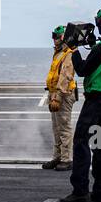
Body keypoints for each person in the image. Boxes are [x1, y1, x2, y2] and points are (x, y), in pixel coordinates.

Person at [60, 6, 101, 202]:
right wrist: (92, 44)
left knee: (80, 142)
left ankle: (80, 191)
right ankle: (100, 190)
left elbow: (82, 70)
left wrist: (74, 50)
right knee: (99, 144)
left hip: (94, 100)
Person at [43, 25, 77, 171]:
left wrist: (57, 96)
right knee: (56, 128)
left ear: (63, 38)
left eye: (56, 36)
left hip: (63, 94)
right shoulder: (58, 53)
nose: (54, 39)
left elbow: (65, 76)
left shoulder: (68, 53)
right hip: (54, 93)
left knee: (64, 127)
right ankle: (57, 157)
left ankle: (66, 159)